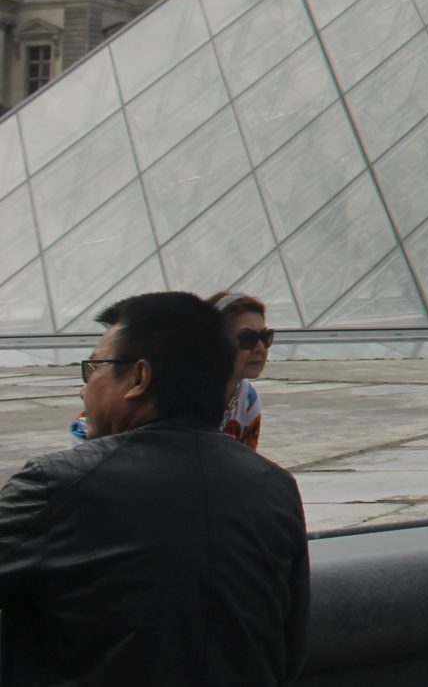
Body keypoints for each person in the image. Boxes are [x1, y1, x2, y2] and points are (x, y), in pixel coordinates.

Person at [0, 291, 311, 685]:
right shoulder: (276, 488)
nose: (84, 389)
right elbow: (290, 644)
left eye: (94, 367)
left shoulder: (56, 486)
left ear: (138, 378)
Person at [209, 289, 273, 450]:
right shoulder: (180, 396)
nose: (260, 349)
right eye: (247, 339)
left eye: (265, 338)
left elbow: (248, 464)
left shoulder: (248, 399)